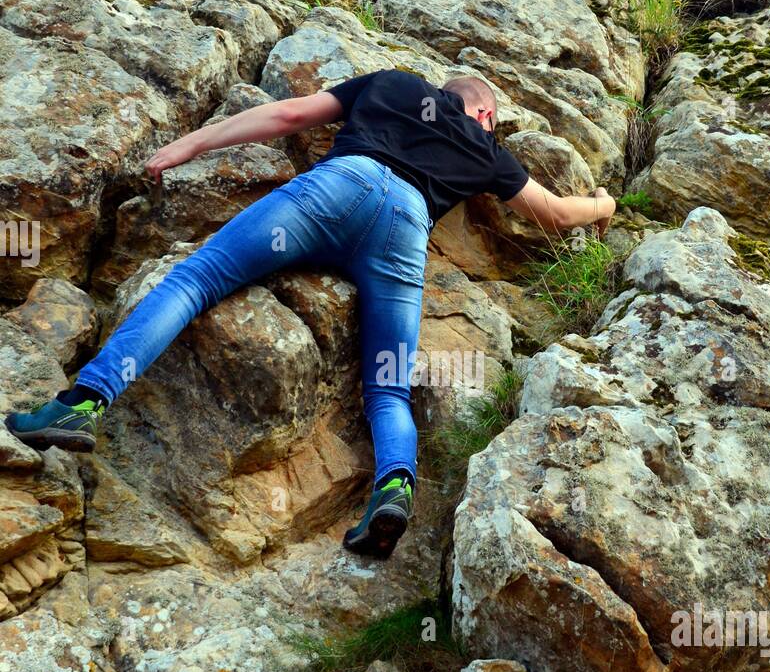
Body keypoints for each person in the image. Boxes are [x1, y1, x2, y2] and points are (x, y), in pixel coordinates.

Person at [5, 70, 616, 558]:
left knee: (196, 281)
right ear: (483, 114)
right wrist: (605, 202)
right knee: (387, 387)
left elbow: (290, 115)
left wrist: (189, 144)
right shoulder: (486, 148)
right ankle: (393, 488)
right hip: (404, 230)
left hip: (337, 187)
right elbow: (557, 215)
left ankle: (84, 403)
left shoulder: (396, 84)